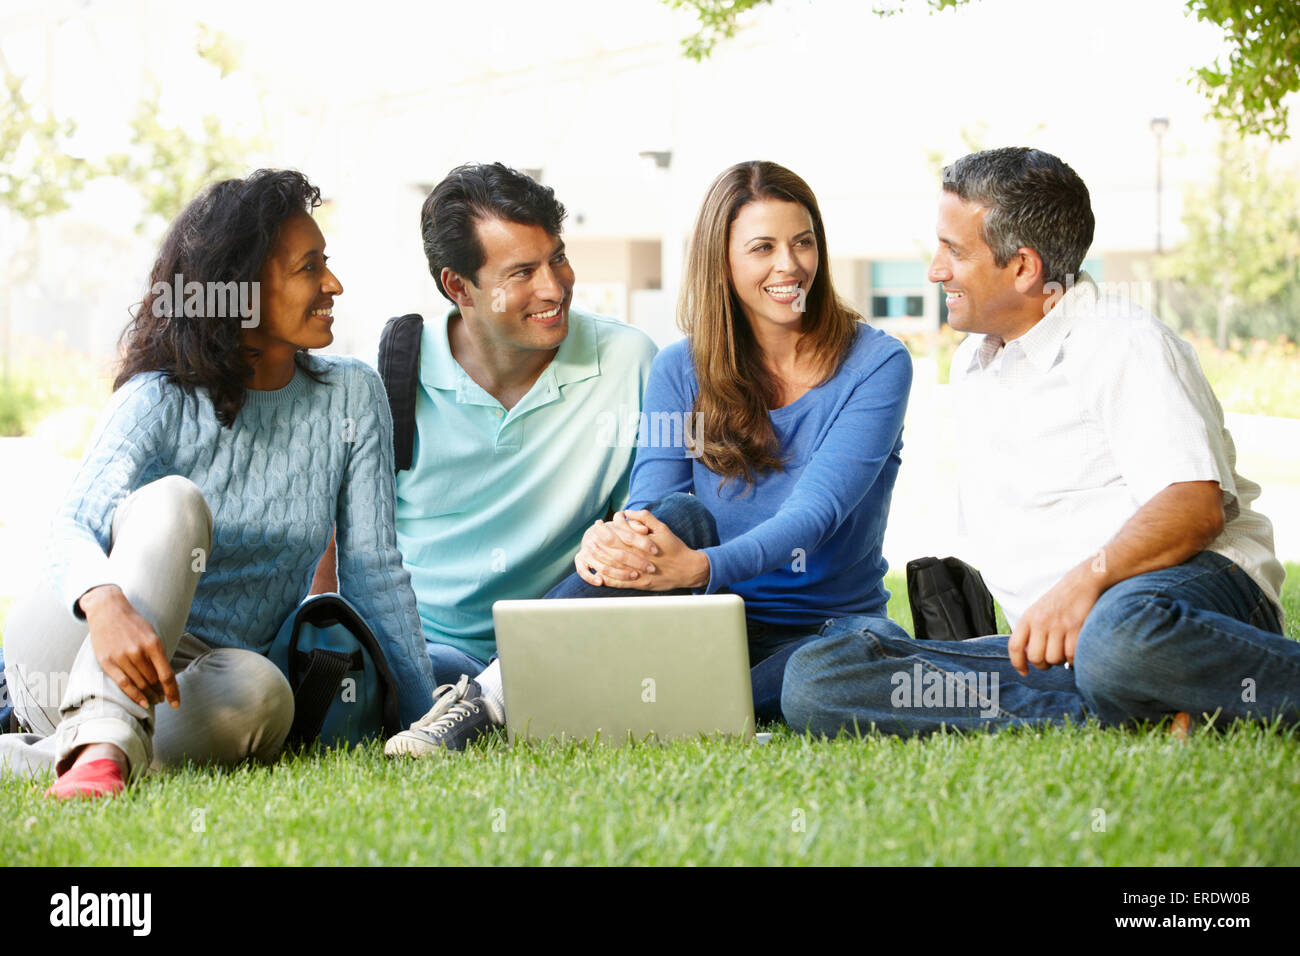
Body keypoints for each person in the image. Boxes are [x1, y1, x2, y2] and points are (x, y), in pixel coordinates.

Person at [385, 159, 913, 754]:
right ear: (724, 262)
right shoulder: (680, 368)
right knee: (665, 516)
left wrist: (700, 569)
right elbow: (650, 505)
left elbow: (814, 515)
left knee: (810, 686)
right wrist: (613, 540)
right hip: (713, 627)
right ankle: (490, 698)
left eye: (803, 243)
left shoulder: (877, 364)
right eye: (763, 247)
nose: (789, 265)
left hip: (829, 633)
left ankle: (506, 694)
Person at [780, 146, 1298, 735]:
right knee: (820, 679)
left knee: (1117, 639)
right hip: (1060, 650)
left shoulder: (1122, 342)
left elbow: (1195, 505)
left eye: (953, 250)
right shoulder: (975, 365)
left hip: (1182, 600)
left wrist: (1088, 582)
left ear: (1024, 268)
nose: (935, 270)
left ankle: (1143, 687)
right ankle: (1139, 710)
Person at [1, 169, 435, 798]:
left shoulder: (351, 394)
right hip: (77, 639)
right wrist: (107, 603)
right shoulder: (158, 398)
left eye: (327, 263)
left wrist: (424, 720)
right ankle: (99, 730)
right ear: (242, 291)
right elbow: (70, 527)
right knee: (177, 502)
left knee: (267, 696)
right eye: (309, 268)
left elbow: (374, 569)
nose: (333, 285)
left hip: (194, 677)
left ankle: (77, 757)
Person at [377, 163, 658, 757]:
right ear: (459, 287)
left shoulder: (630, 361)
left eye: (557, 258)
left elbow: (647, 526)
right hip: (432, 650)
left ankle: (491, 698)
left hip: (564, 637)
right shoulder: (393, 372)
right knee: (414, 678)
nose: (554, 288)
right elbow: (345, 538)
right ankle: (470, 700)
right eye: (523, 272)